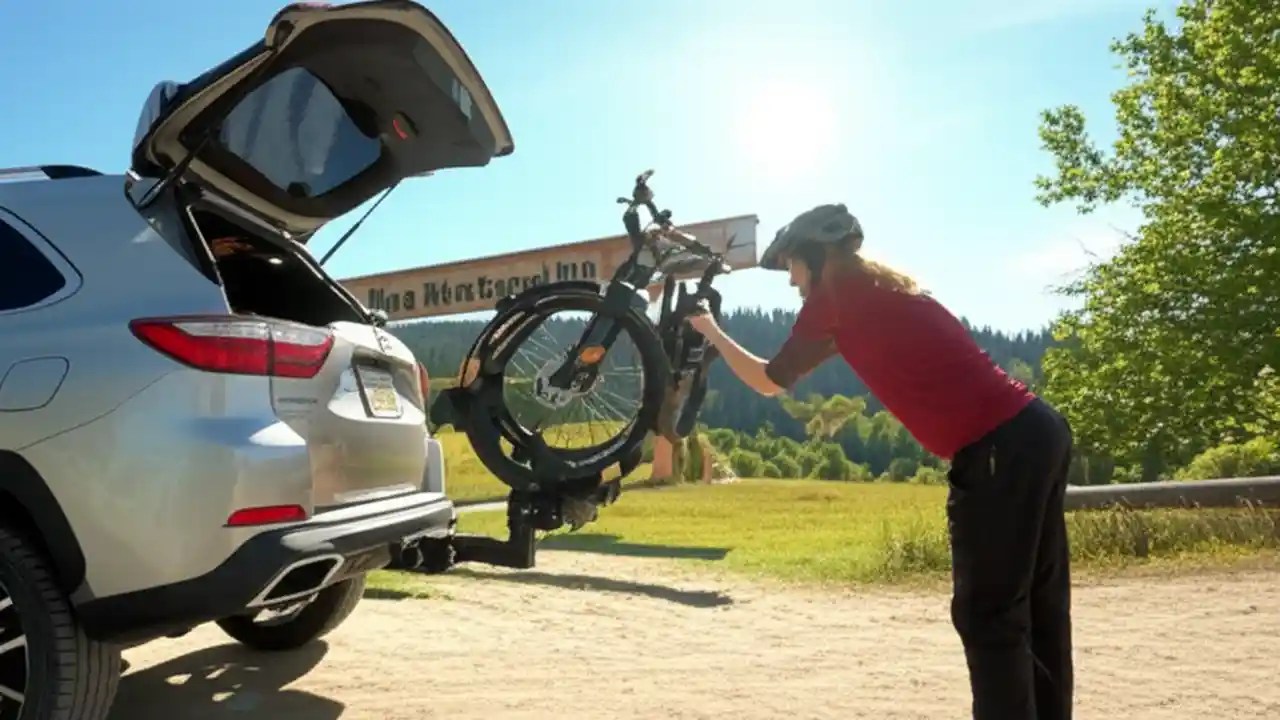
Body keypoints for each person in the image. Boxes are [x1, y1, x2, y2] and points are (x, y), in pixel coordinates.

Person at [684, 203, 1075, 720]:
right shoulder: (882, 292)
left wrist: (708, 329)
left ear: (815, 256)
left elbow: (769, 380)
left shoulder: (837, 298)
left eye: (792, 267)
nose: (791, 281)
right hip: (1036, 431)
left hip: (998, 447)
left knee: (989, 615)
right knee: (1038, 609)